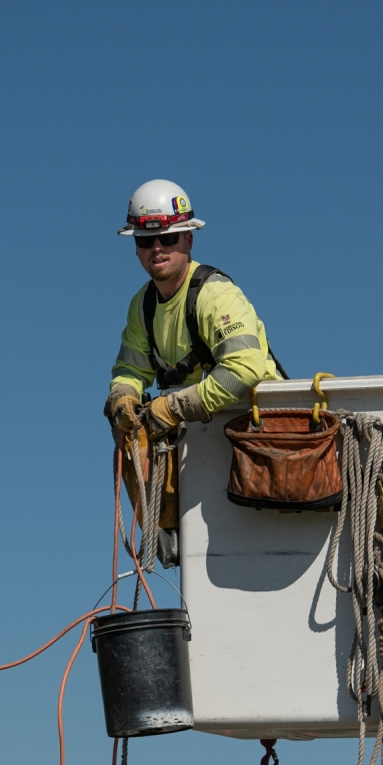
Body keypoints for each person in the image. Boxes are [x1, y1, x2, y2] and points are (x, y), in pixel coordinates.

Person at [104, 179, 285, 560]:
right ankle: (163, 532)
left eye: (168, 238)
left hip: (266, 438)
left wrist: (173, 408)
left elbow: (245, 369)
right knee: (133, 433)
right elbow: (129, 369)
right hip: (210, 446)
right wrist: (123, 397)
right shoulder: (143, 306)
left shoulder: (215, 295)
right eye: (146, 240)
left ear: (188, 239)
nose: (157, 248)